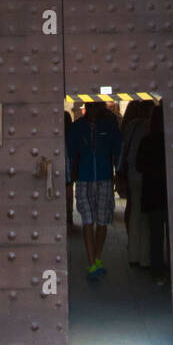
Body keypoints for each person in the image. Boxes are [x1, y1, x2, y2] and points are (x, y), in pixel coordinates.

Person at [66, 100, 122, 281]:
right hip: (84, 179)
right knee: (88, 220)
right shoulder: (77, 128)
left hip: (104, 178)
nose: (91, 108)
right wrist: (70, 177)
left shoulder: (109, 126)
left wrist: (118, 174)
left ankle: (97, 258)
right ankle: (92, 262)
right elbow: (70, 153)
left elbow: (118, 151)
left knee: (102, 221)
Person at [136, 103, 168, 283]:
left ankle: (157, 271)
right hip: (170, 193)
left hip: (152, 192)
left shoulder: (146, 141)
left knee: (156, 235)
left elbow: (139, 166)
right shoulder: (171, 141)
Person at [118, 100, 152, 265]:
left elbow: (123, 150)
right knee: (146, 217)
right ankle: (145, 257)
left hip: (132, 173)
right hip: (149, 175)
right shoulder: (150, 125)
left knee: (134, 212)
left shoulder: (130, 126)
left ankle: (133, 253)